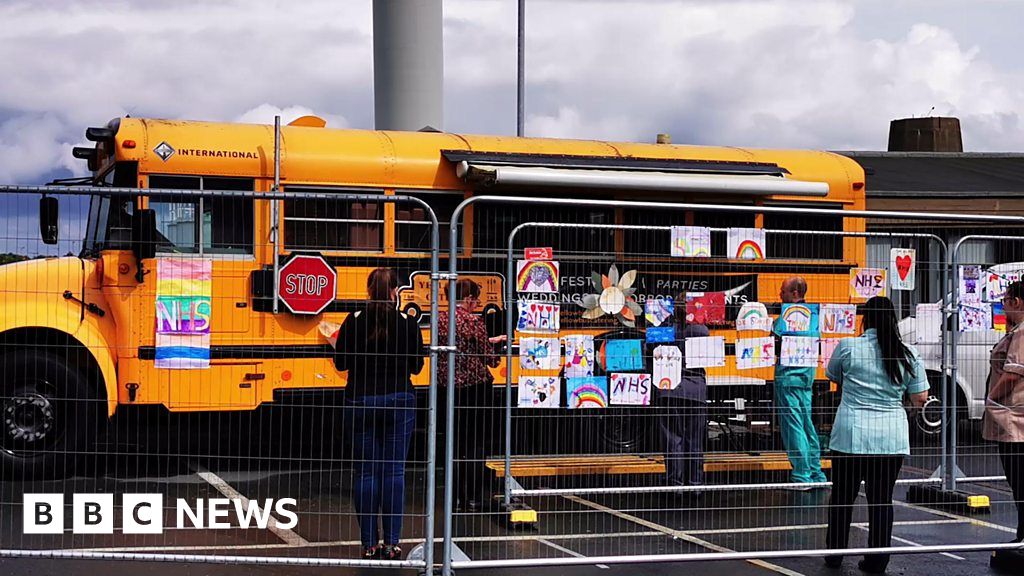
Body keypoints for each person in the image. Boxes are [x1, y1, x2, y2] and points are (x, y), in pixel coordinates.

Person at [824, 296, 928, 573]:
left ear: (865, 318)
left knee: (842, 496)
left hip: (851, 435)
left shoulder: (848, 347)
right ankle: (878, 559)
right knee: (881, 499)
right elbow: (920, 397)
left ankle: (834, 554)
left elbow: (833, 375)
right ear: (893, 320)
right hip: (890, 437)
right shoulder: (907, 353)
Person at [334, 267, 425, 560]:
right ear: (395, 291)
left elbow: (341, 362)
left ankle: (368, 543)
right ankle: (392, 542)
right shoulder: (408, 323)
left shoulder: (354, 320)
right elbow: (416, 366)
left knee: (366, 472)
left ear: (369, 290)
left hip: (361, 399)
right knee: (394, 471)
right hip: (399, 399)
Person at [436, 278, 506, 512]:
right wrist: (496, 348)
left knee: (453, 443)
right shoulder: (473, 321)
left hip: (447, 389)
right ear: (467, 299)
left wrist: (486, 341)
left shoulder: (441, 319)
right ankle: (474, 496)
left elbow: (460, 345)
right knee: (475, 443)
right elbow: (489, 359)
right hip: (474, 388)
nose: (477, 304)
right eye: (476, 300)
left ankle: (455, 498)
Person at [984, 280, 1024, 571]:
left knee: (1020, 482)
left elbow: (1013, 373)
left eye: (1005, 300)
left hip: (1014, 420)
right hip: (1014, 418)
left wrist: (991, 398)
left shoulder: (1022, 333)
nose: (1003, 305)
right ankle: (1021, 535)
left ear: (1017, 302)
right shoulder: (1015, 331)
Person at [773, 276, 827, 488]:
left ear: (794, 293)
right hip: (807, 377)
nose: (780, 294)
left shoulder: (787, 315)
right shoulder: (814, 315)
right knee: (807, 425)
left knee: (793, 427)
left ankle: (802, 475)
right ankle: (816, 472)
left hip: (787, 377)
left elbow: (774, 339)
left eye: (783, 291)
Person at [653, 295, 710, 492]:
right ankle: (695, 483)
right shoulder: (701, 330)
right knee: (695, 440)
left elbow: (649, 349)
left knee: (672, 439)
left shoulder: (664, 330)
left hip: (669, 389)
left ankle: (674, 484)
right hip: (696, 390)